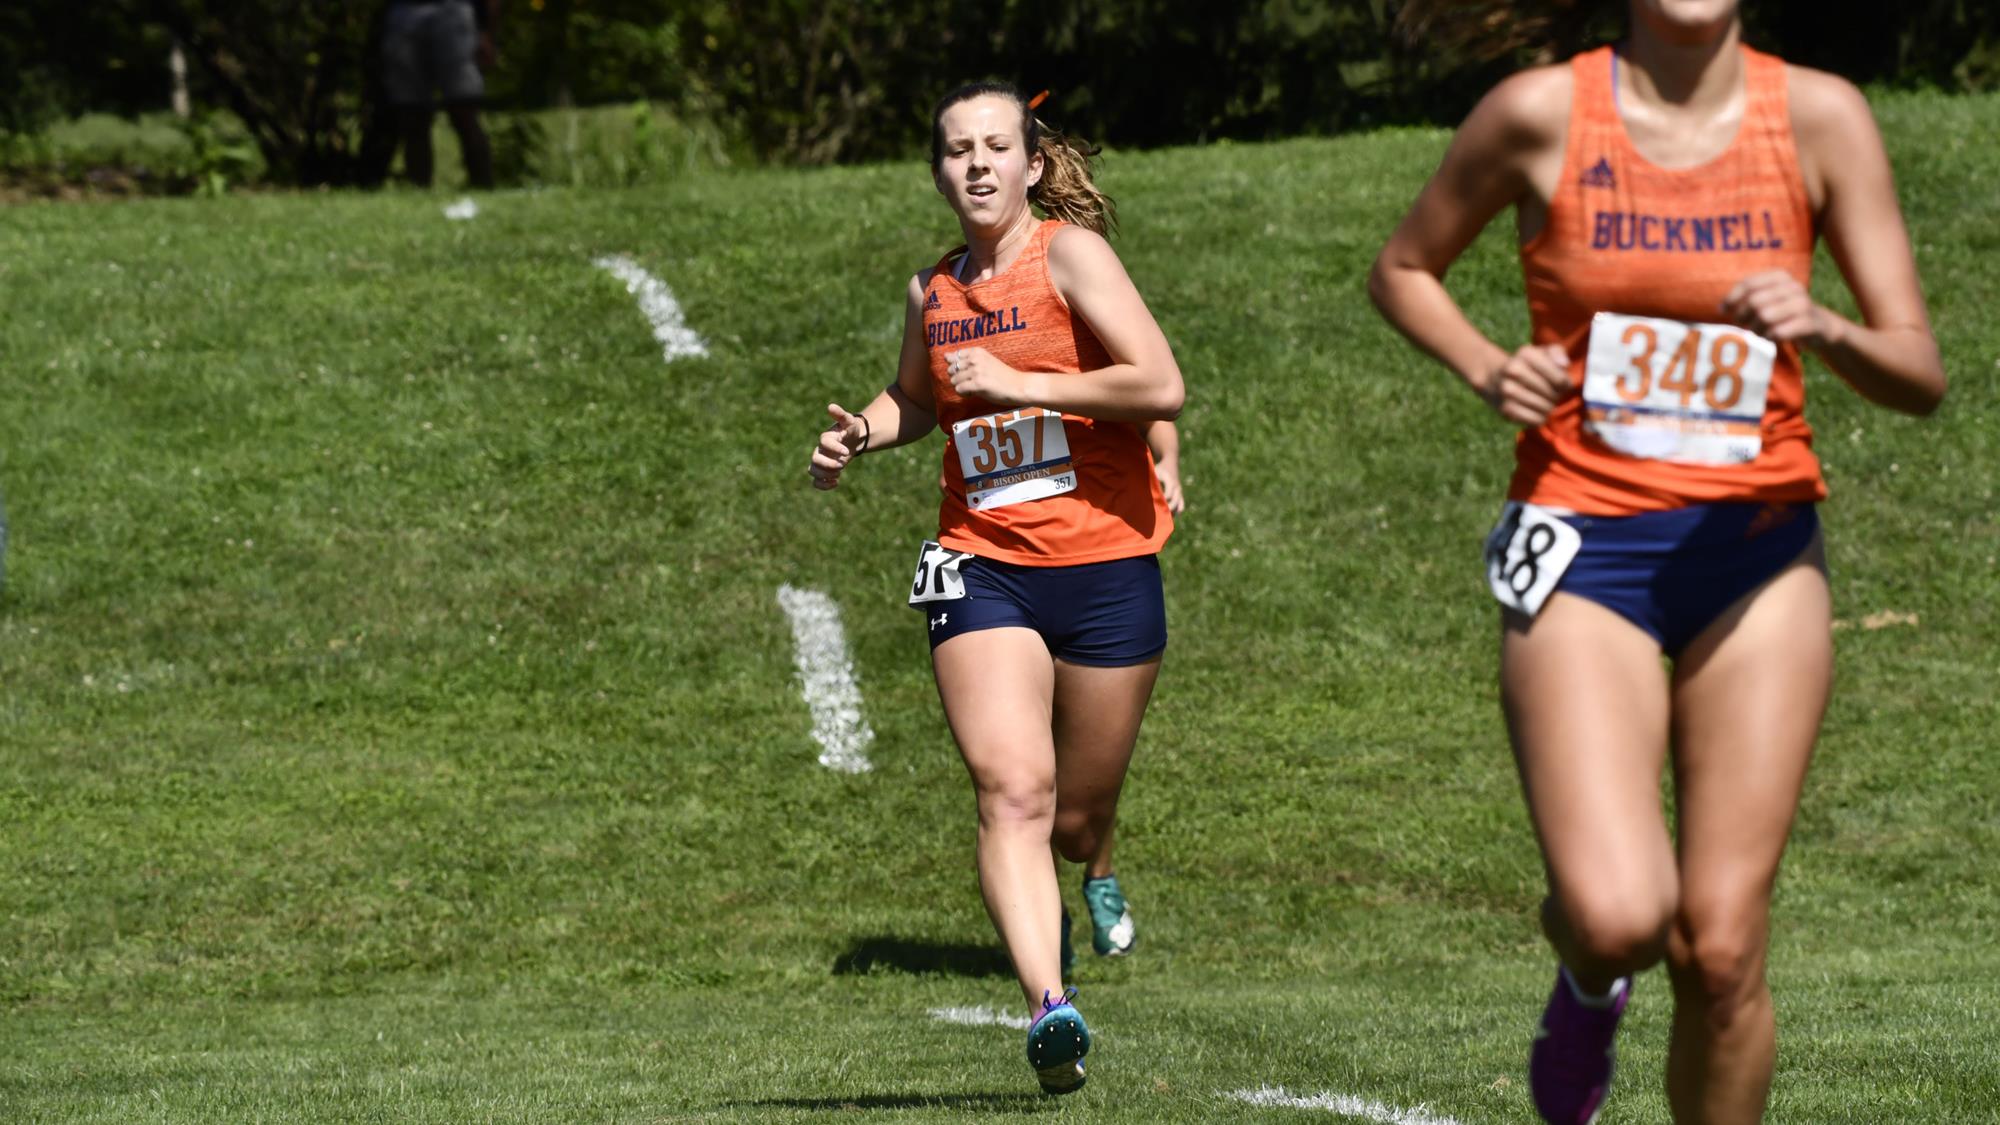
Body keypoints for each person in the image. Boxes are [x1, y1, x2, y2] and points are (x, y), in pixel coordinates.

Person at [1368, 2, 1945, 1121]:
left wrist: (1825, 328)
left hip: (1756, 554)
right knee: (1618, 910)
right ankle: (1588, 975)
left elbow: (1916, 371)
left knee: (1720, 944)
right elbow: (1403, 269)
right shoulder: (1539, 112)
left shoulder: (1820, 117)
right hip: (1582, 546)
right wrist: (1490, 369)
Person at [806, 81, 1185, 1094]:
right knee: (1012, 789)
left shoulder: (1071, 257)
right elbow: (918, 399)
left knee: (1071, 813)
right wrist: (866, 432)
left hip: (1104, 564)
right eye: (956, 150)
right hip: (980, 567)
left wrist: (1024, 384)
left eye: (994, 148)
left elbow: (1158, 383)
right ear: (938, 172)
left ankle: (1094, 864)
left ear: (1028, 165)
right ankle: (1047, 1008)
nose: (974, 164)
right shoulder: (931, 292)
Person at [378, 0, 498, 190]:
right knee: (411, 115)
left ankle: (483, 187)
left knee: (464, 110)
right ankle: (418, 193)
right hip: (405, 11)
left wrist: (486, 31)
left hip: (454, 12)